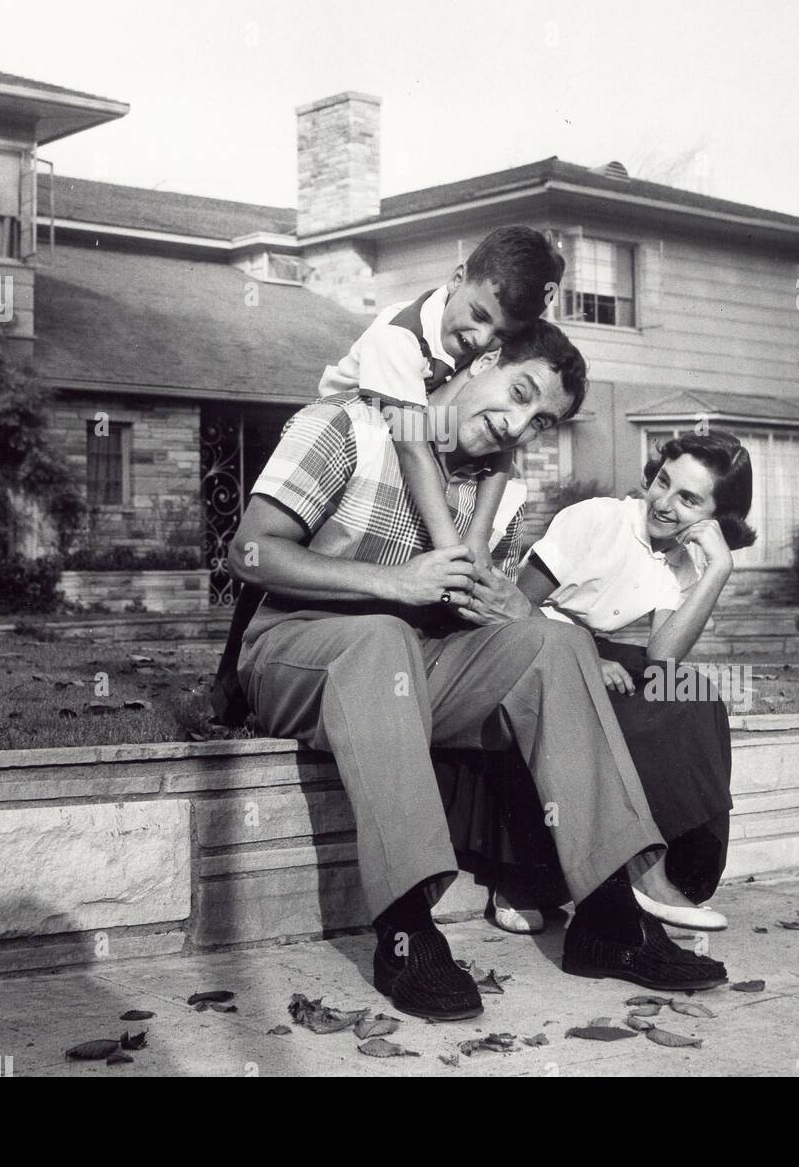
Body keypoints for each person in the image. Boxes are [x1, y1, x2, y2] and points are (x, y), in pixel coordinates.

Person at [224, 325, 728, 1021]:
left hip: (413, 664)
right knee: (377, 640)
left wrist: (499, 586)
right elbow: (248, 553)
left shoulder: (497, 489)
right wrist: (391, 584)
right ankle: (405, 930)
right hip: (297, 652)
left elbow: (469, 606)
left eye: (538, 421)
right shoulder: (346, 425)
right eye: (518, 394)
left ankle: (607, 920)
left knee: (556, 645)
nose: (515, 425)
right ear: (483, 361)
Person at [438, 430, 757, 935]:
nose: (664, 502)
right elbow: (514, 604)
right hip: (524, 643)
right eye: (663, 482)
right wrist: (582, 653)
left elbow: (664, 655)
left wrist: (718, 567)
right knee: (592, 713)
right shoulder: (598, 519)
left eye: (689, 499)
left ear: (717, 517)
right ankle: (526, 877)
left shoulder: (685, 558)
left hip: (590, 650)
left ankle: (665, 866)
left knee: (692, 694)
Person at [318, 225, 563, 574]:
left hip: (413, 432)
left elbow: (497, 443)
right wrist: (453, 552)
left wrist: (477, 536)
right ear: (457, 277)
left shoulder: (479, 345)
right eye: (479, 316)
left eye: (502, 334)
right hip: (349, 445)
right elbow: (413, 448)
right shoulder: (398, 337)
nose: (481, 339)